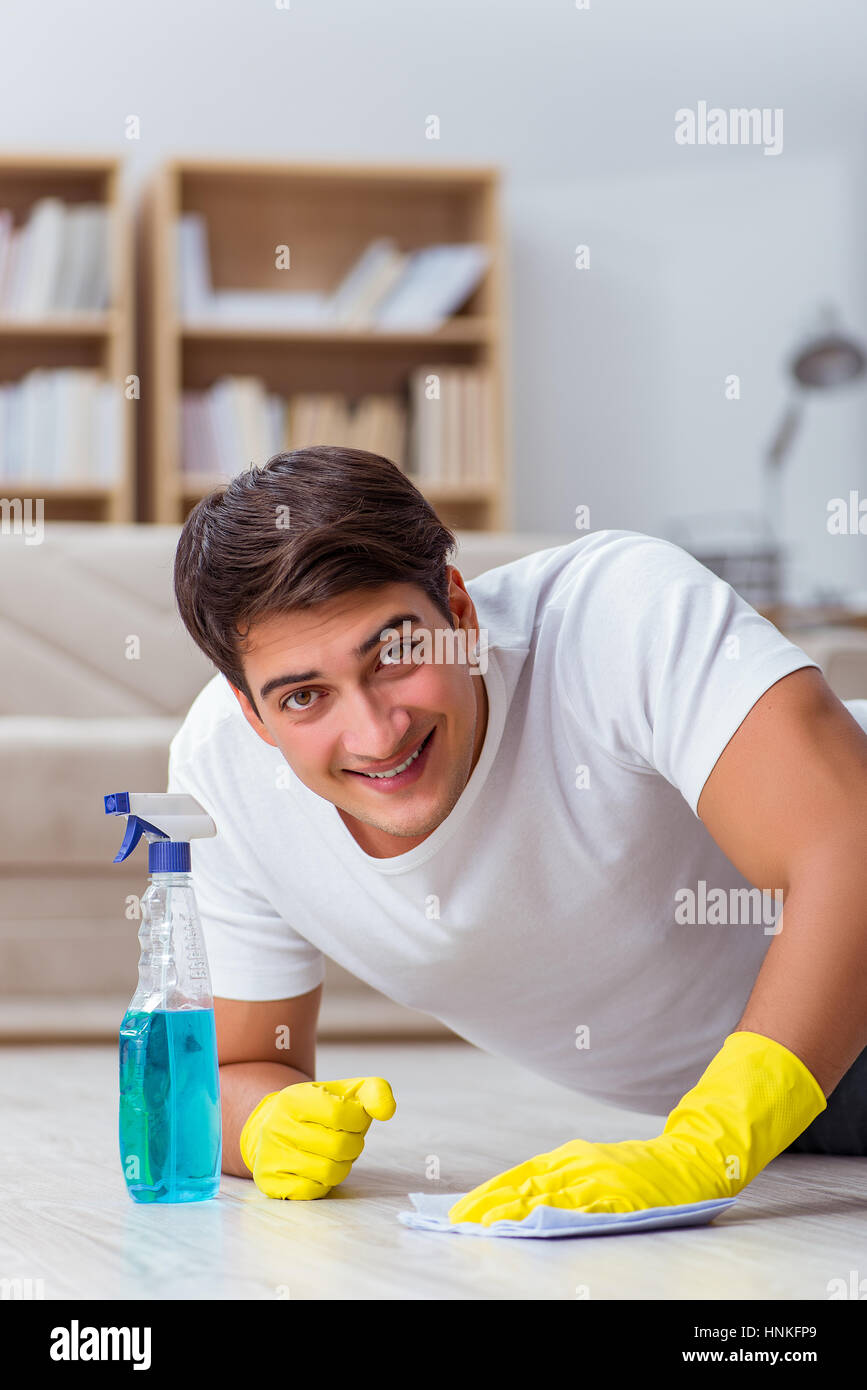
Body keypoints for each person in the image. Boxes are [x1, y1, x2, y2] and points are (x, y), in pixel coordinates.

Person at [168, 446, 867, 1223]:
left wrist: (711, 1143)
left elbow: (849, 856)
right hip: (802, 1109)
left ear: (460, 614)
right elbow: (238, 1065)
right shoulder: (221, 778)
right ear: (251, 715)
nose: (374, 734)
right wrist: (267, 1123)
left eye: (397, 652)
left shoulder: (617, 611)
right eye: (304, 697)